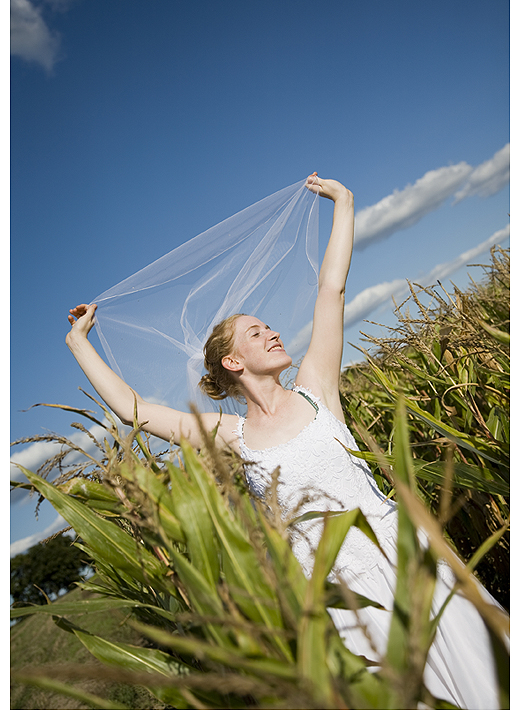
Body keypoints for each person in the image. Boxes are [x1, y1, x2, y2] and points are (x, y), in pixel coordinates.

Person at [67, 174, 503, 709]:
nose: (273, 333)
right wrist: (78, 343)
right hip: (340, 598)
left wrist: (343, 202)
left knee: (487, 678)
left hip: (405, 557)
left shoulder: (317, 388)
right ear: (233, 362)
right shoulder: (233, 437)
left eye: (269, 327)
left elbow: (331, 288)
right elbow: (135, 410)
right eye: (257, 333)